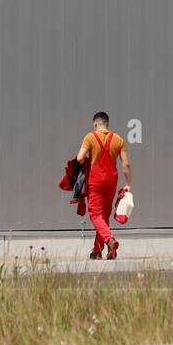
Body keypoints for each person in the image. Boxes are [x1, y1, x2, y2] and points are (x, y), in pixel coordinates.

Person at [76, 111, 131, 260]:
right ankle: (97, 251)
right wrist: (128, 184)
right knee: (104, 216)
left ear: (95, 124)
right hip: (111, 181)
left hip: (96, 180)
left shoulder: (90, 137)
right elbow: (125, 164)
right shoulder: (118, 139)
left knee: (95, 214)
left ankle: (109, 240)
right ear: (107, 123)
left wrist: (86, 162)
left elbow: (80, 158)